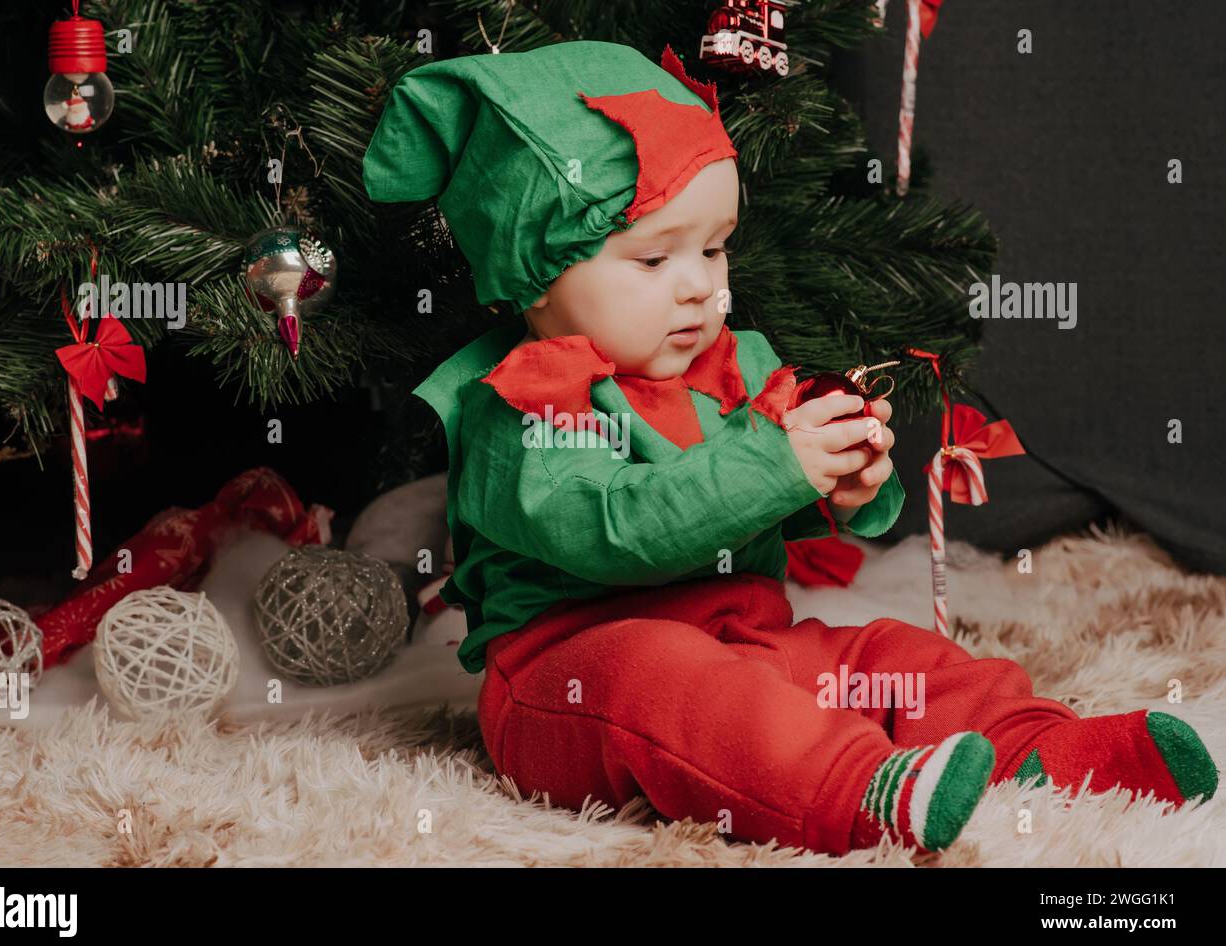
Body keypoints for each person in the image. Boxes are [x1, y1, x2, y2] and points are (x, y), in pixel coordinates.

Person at [362, 40, 1217, 855]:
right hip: (575, 679)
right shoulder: (525, 406)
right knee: (663, 677)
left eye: (713, 246)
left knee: (889, 653)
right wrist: (776, 462)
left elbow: (780, 491)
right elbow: (622, 528)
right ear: (538, 274)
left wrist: (840, 479)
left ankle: (1041, 752)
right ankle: (861, 790)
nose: (700, 285)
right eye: (654, 258)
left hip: (751, 648)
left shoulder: (733, 366)